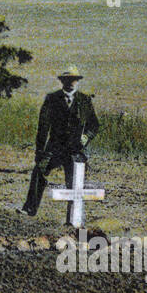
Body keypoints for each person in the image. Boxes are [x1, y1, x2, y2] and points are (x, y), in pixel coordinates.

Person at [22, 66, 99, 218]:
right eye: (67, 79)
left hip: (76, 150)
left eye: (74, 79)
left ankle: (72, 220)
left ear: (78, 81)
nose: (71, 82)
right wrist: (40, 152)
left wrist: (86, 137)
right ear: (62, 81)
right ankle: (29, 209)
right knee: (39, 171)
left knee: (75, 184)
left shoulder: (85, 100)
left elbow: (94, 125)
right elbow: (43, 127)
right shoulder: (52, 99)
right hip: (55, 148)